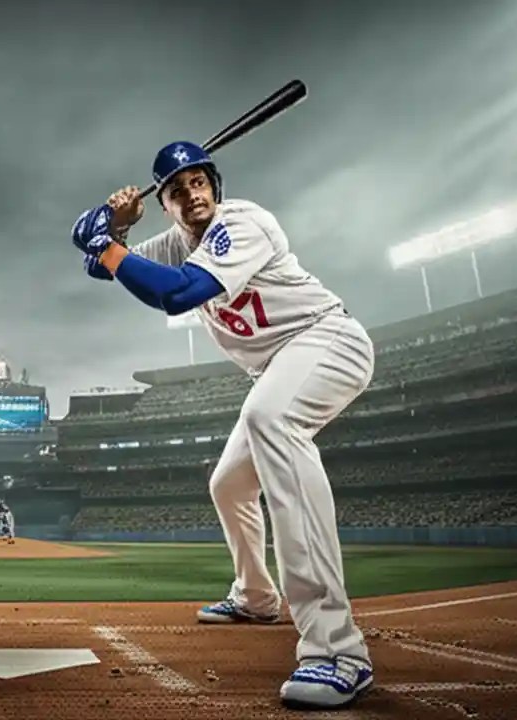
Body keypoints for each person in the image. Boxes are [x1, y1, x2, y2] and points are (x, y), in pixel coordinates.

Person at [69, 142, 375, 710]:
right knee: (229, 484)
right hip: (277, 364)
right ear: (164, 204)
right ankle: (256, 596)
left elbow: (177, 294)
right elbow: (103, 266)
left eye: (199, 181)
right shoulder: (175, 242)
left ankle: (338, 650)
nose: (192, 194)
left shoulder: (242, 222)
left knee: (270, 420)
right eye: (177, 189)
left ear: (215, 185)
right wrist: (112, 227)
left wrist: (105, 242)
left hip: (326, 339)